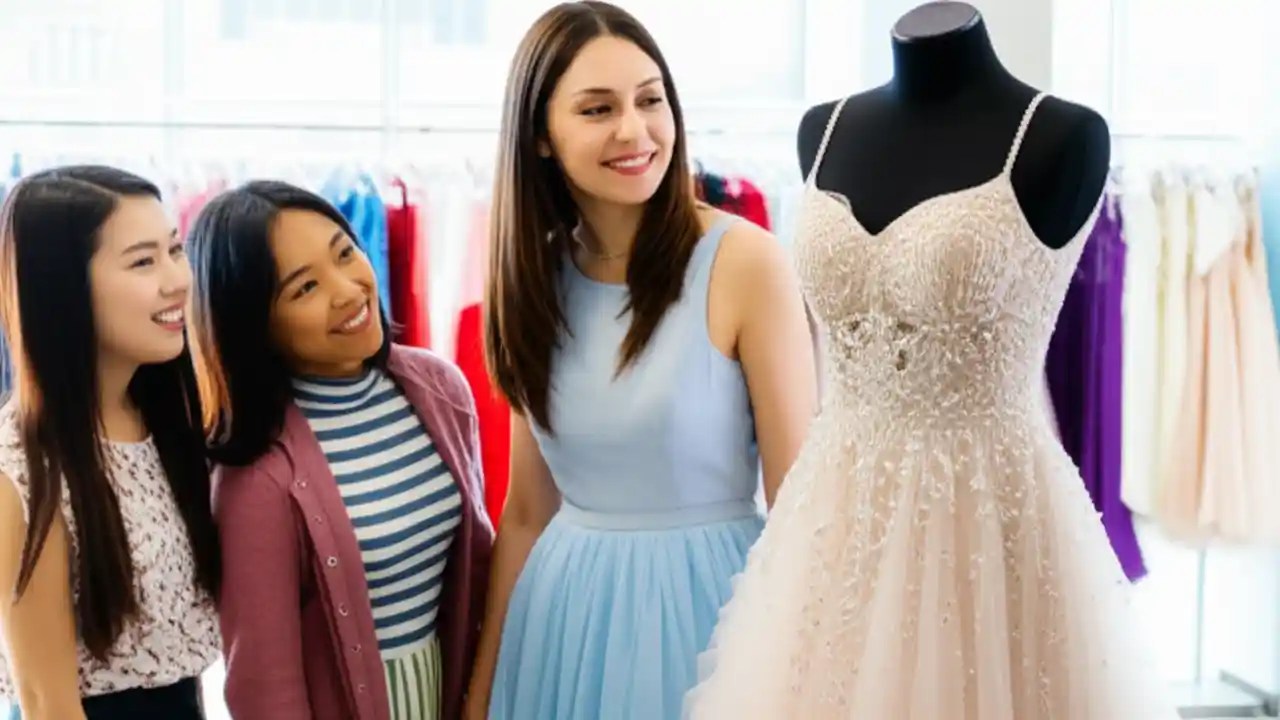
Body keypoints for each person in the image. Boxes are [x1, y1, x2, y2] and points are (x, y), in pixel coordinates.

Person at [466, 2, 817, 718]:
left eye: (650, 100)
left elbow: (799, 509)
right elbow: (527, 512)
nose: (635, 130)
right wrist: (480, 692)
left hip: (712, 615)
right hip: (562, 626)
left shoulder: (746, 262)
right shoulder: (532, 277)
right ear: (540, 136)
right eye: (597, 110)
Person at [186, 181, 493, 720]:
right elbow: (264, 687)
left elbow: (476, 567)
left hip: (451, 691)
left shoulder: (441, 389)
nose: (349, 290)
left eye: (345, 253)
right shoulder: (256, 476)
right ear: (255, 323)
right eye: (305, 288)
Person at [0, 165, 221, 719]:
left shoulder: (170, 420)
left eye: (175, 250)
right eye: (144, 261)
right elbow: (49, 704)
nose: (177, 279)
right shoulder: (25, 470)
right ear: (65, 288)